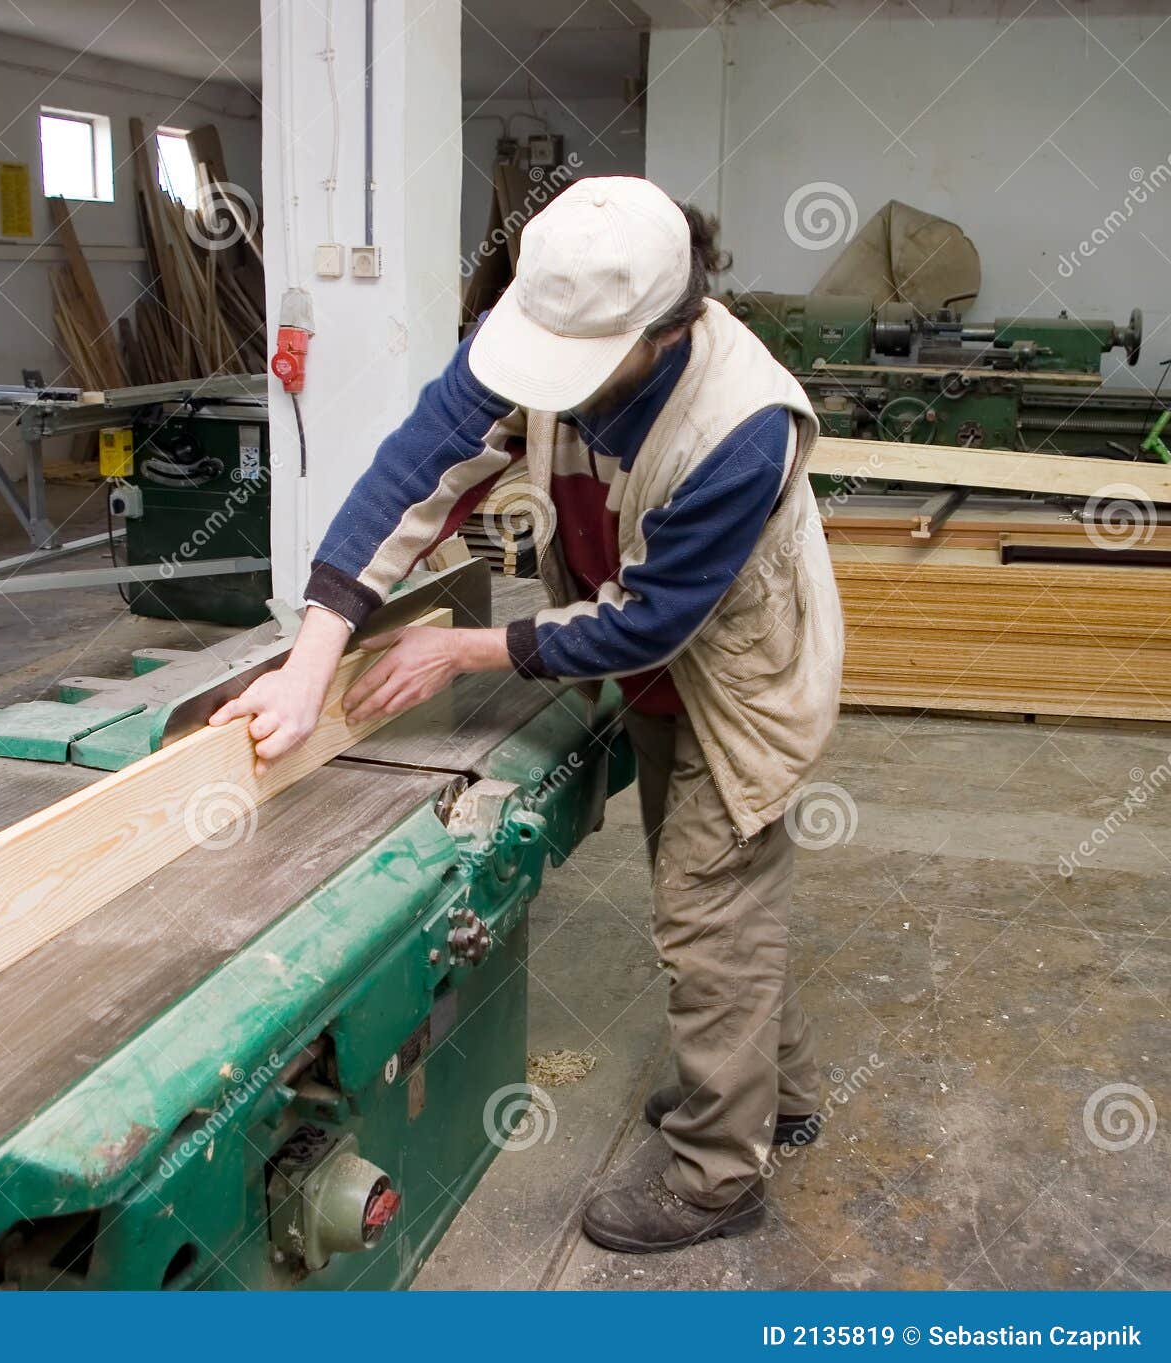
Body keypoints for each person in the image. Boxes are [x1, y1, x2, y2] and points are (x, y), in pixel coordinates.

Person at [211, 176, 844, 1253]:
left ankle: (717, 1172)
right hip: (649, 669)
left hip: (737, 679)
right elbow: (417, 469)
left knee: (708, 914)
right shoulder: (544, 319)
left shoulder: (743, 427)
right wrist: (309, 657)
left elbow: (645, 623)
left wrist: (463, 646)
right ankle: (765, 1096)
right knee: (716, 902)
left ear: (669, 323)